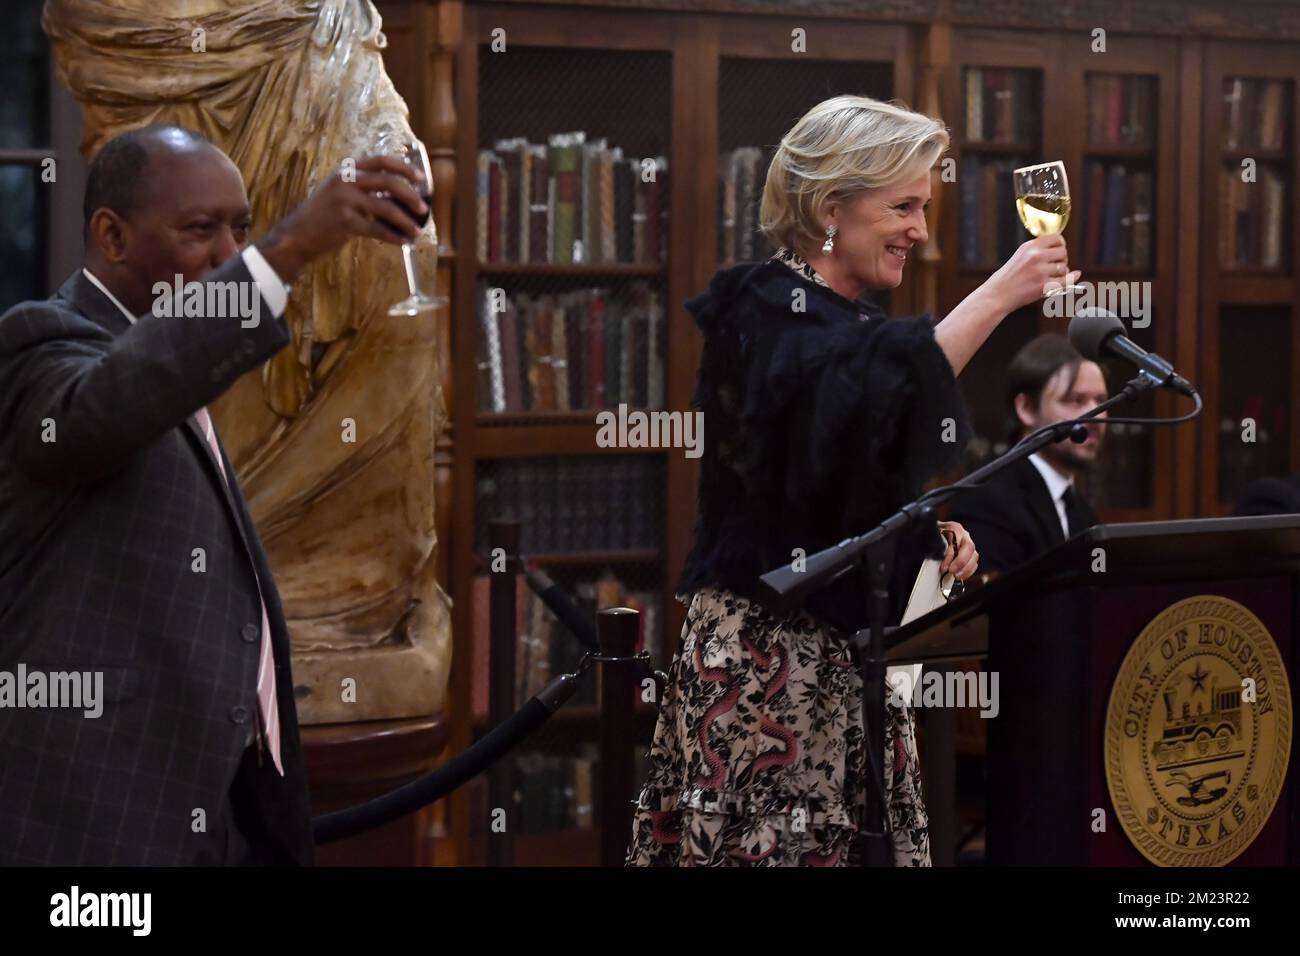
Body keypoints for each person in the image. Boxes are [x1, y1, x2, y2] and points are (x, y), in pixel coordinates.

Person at [626, 95, 1079, 867]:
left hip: (854, 673)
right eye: (903, 206)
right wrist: (1002, 292)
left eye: (926, 208)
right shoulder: (763, 307)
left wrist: (930, 532)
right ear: (830, 206)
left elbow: (842, 484)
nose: (921, 230)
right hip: (766, 676)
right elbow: (879, 396)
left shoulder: (853, 325)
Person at [0, 124, 427, 865]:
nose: (227, 254)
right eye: (200, 230)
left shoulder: (168, 359)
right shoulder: (42, 345)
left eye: (242, 228)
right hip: (102, 826)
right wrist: (287, 249)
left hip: (219, 809)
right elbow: (111, 402)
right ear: (112, 235)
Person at [947, 334, 1106, 575]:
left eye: (1101, 401)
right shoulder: (989, 497)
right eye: (1076, 400)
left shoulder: (1081, 510)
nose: (1096, 416)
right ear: (1027, 409)